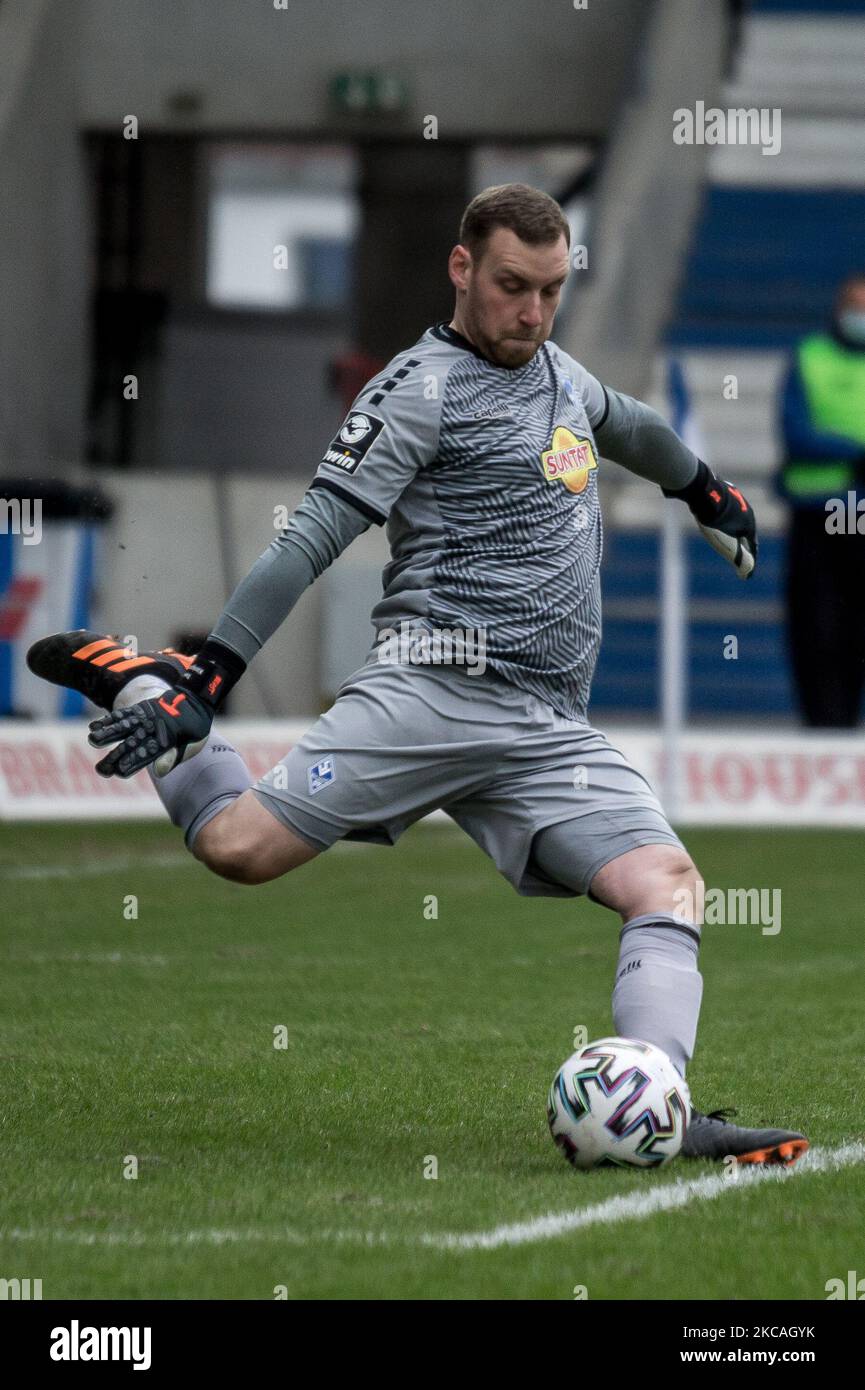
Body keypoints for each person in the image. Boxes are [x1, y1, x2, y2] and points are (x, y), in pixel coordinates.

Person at [29, 183, 805, 1166]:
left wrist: (701, 486)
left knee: (666, 881)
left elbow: (630, 423)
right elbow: (310, 533)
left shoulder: (561, 375)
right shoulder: (415, 389)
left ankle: (654, 1097)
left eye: (551, 291)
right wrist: (208, 679)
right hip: (428, 695)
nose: (531, 312)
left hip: (542, 725)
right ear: (462, 268)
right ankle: (150, 680)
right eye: (513, 287)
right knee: (236, 848)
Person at [779, 272, 865, 727]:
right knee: (816, 629)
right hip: (819, 512)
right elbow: (796, 433)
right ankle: (824, 730)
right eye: (855, 306)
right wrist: (856, 455)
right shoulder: (810, 357)